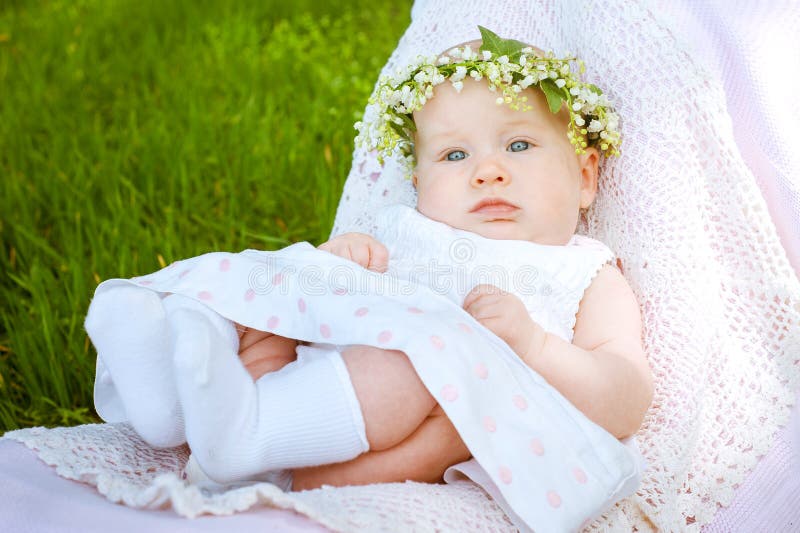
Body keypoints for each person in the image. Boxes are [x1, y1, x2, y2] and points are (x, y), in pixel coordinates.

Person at [85, 30, 653, 505]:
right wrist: (344, 261)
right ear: (419, 183)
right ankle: (168, 397)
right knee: (277, 280)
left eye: (520, 144)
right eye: (455, 155)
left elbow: (626, 395)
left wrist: (534, 346)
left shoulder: (584, 273)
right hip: (297, 373)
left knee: (417, 353)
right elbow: (326, 301)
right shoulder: (402, 229)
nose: (487, 171)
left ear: (585, 176)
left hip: (400, 407)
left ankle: (249, 441)